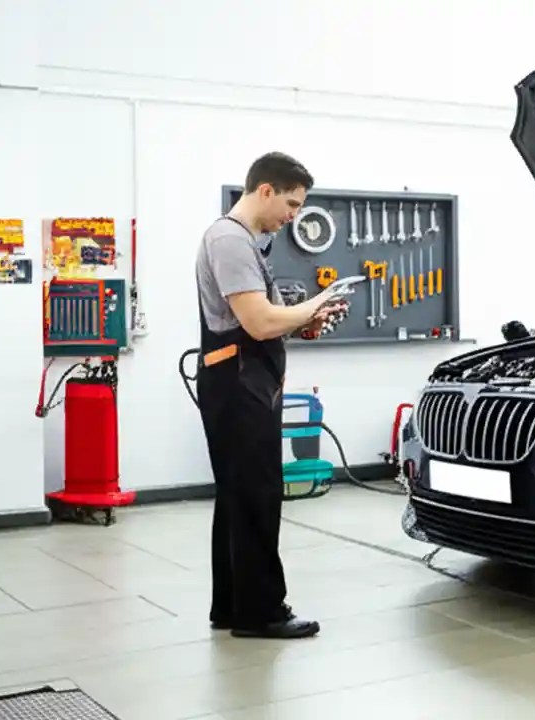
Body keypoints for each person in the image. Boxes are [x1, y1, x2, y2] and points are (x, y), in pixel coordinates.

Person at [194, 151, 341, 639]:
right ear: (265, 191)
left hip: (244, 382)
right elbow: (258, 322)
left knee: (238, 496)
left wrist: (305, 322)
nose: (294, 216)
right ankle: (261, 612)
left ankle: (233, 606)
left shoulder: (244, 243)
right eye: (293, 204)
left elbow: (264, 322)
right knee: (256, 495)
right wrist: (316, 302)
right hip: (238, 386)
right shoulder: (231, 240)